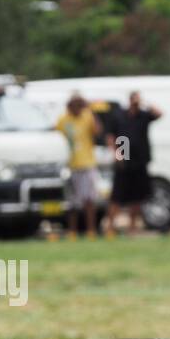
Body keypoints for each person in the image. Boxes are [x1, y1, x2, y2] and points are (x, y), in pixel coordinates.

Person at [106, 91, 161, 235]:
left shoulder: (144, 115)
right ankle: (110, 227)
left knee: (137, 197)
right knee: (117, 196)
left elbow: (159, 113)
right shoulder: (119, 116)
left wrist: (144, 103)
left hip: (140, 161)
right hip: (124, 161)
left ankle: (132, 227)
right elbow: (111, 136)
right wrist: (117, 154)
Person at [55, 92, 102, 237]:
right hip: (71, 164)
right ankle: (72, 231)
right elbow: (56, 136)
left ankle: (91, 230)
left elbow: (98, 131)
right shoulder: (63, 119)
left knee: (89, 200)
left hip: (87, 163)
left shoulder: (87, 116)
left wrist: (90, 110)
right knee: (72, 202)